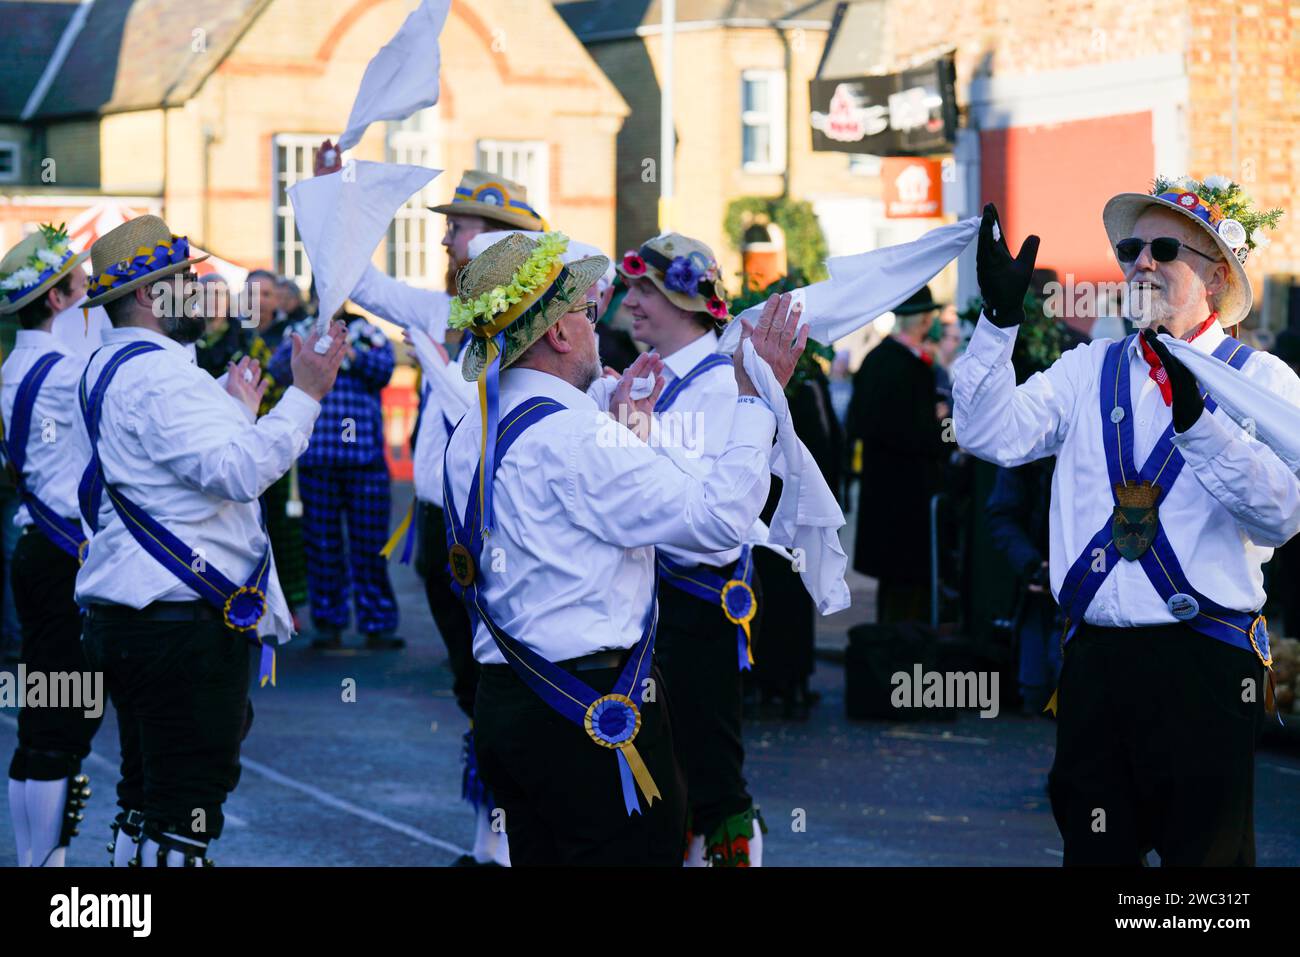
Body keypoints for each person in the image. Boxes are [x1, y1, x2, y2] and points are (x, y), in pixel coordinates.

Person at [954, 178, 1296, 866]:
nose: (1140, 261)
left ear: (1214, 276)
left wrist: (1202, 428)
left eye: (1163, 247)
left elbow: (1282, 513)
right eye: (1131, 248)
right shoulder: (1088, 369)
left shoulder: (1263, 382)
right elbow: (985, 431)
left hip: (1204, 663)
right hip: (1096, 664)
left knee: (1205, 879)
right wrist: (996, 321)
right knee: (1095, 856)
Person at [443, 230, 806, 866]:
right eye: (587, 313)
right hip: (590, 716)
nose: (599, 327)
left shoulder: (473, 424)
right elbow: (719, 522)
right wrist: (757, 399)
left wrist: (624, 428)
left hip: (506, 699)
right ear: (557, 334)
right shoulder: (576, 437)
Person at [74, 214, 346, 866]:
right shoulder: (163, 377)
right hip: (181, 624)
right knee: (184, 813)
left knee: (144, 799)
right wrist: (306, 394)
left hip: (134, 616)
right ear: (148, 295)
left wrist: (235, 414)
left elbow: (180, 470)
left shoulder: (107, 365)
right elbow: (239, 471)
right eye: (186, 278)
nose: (200, 288)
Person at [312, 141, 547, 864]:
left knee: (505, 685)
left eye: (458, 225)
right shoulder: (438, 308)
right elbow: (355, 280)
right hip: (443, 528)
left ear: (498, 239)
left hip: (501, 526)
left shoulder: (533, 327)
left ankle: (516, 843)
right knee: (472, 685)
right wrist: (332, 199)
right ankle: (490, 842)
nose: (445, 236)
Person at [617, 233, 771, 866]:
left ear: (684, 300)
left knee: (712, 773)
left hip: (698, 602)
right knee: (666, 766)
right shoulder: (654, 374)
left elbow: (718, 507)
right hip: (650, 604)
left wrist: (640, 435)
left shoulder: (719, 383)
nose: (627, 303)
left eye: (642, 290)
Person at [0, 224, 98, 866]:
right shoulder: (69, 373)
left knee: (42, 707)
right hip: (69, 555)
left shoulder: (12, 367)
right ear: (57, 300)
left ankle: (35, 858)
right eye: (81, 284)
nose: (91, 291)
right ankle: (49, 867)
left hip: (34, 548)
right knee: (65, 716)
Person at [269, 309, 401, 650]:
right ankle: (329, 624)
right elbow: (279, 369)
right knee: (322, 547)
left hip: (365, 460)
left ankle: (378, 623)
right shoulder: (299, 329)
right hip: (316, 458)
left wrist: (347, 351)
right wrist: (315, 347)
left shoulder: (367, 330)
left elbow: (384, 370)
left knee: (371, 547)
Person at [846, 284, 950, 624]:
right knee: (909, 594)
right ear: (922, 321)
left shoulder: (876, 360)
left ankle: (891, 659)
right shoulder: (908, 367)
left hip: (884, 494)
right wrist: (943, 425)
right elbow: (920, 434)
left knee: (893, 590)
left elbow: (859, 421)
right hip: (909, 496)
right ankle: (903, 665)